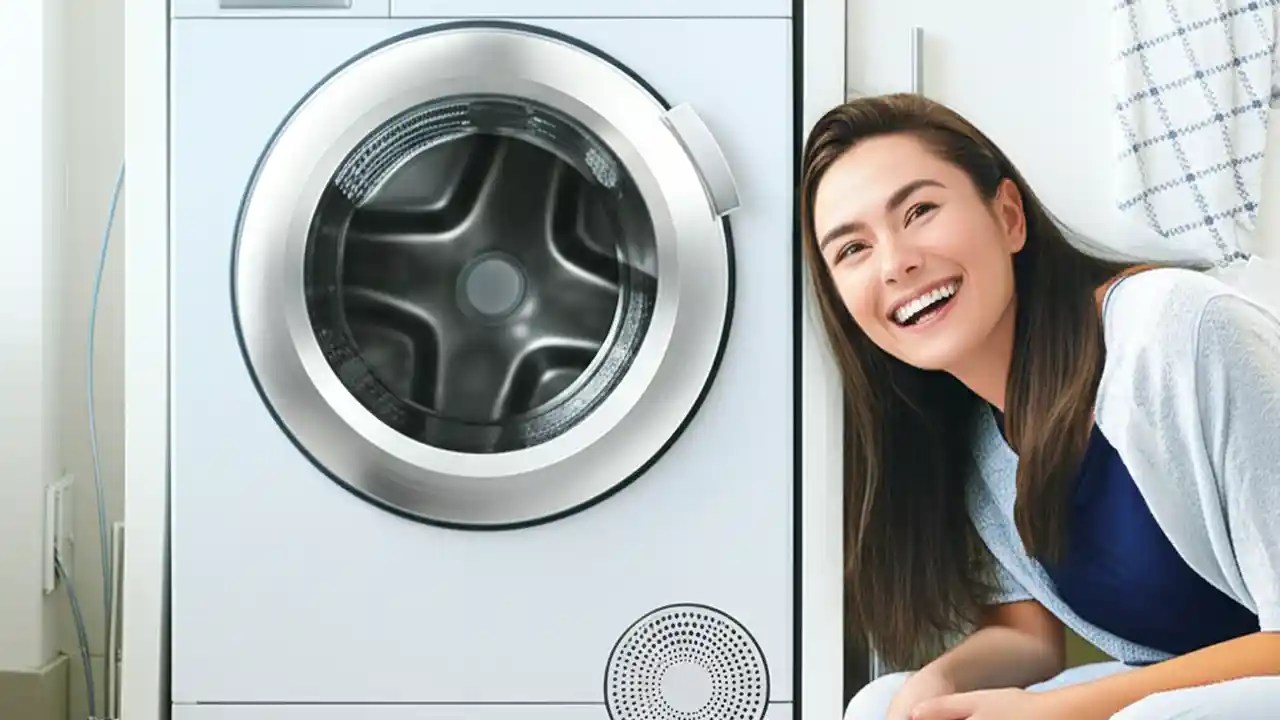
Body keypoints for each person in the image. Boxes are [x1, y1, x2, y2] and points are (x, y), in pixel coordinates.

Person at [800, 93, 1280, 720]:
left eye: (919, 211)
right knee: (880, 704)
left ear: (1008, 217)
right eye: (852, 249)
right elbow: (1029, 635)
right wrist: (936, 686)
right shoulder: (975, 439)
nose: (896, 264)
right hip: (1192, 698)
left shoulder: (1180, 330)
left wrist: (1064, 711)